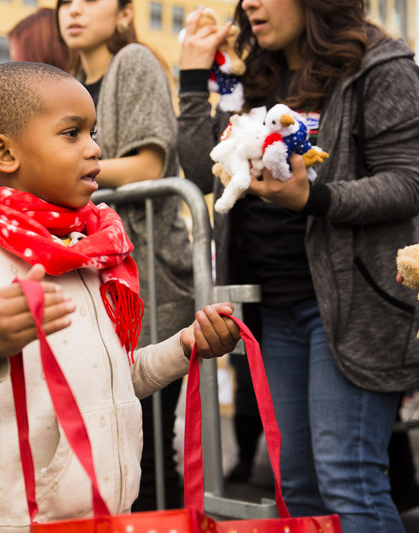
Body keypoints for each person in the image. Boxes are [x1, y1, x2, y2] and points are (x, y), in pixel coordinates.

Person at [0, 61, 240, 532]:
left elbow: (114, 381)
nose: (95, 148)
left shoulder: (87, 251)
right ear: (4, 152)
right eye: (72, 134)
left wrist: (183, 347)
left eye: (93, 132)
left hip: (105, 516)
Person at [177, 2, 419, 531]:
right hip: (275, 305)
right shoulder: (251, 76)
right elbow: (202, 168)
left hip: (352, 304)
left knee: (348, 479)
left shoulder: (380, 64)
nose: (250, 5)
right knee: (297, 487)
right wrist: (194, 79)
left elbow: (408, 181)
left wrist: (314, 197)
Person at [55, 0, 195, 509]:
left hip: (147, 274)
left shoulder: (132, 60)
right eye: (64, 2)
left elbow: (149, 165)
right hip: (93, 277)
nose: (73, 10)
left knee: (148, 444)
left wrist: (57, 170)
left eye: (89, 0)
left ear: (124, 12)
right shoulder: (62, 84)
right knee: (109, 441)